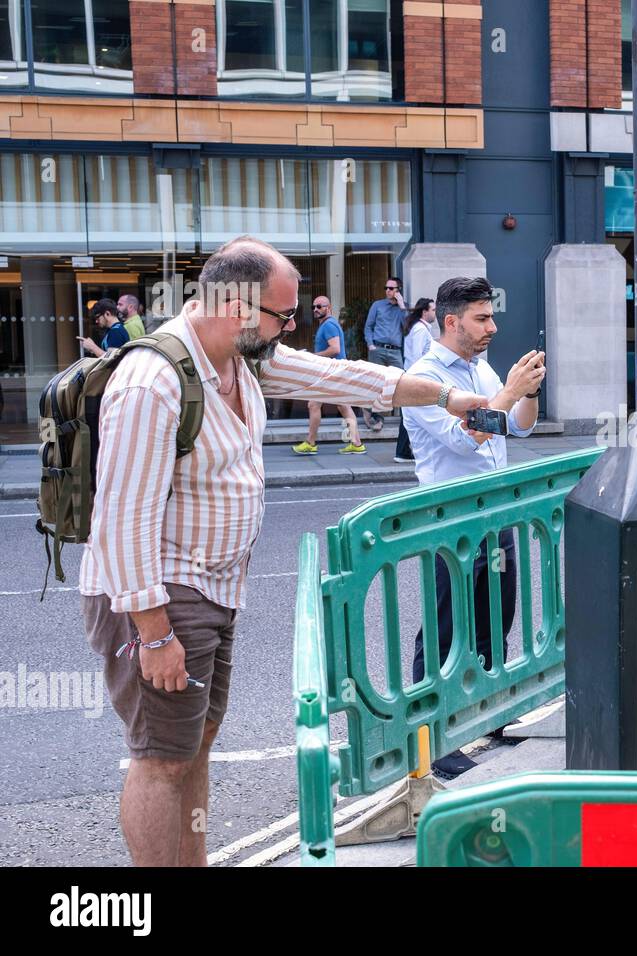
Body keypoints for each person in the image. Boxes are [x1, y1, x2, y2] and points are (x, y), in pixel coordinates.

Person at [80, 236, 489, 866]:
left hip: (214, 589)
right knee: (161, 760)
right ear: (238, 306)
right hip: (162, 593)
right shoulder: (152, 381)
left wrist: (443, 395)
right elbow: (120, 520)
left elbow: (342, 375)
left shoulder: (243, 361)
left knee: (195, 746)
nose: (289, 329)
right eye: (281, 316)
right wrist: (154, 633)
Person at [403, 276, 545, 778]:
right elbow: (465, 442)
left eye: (491, 315)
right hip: (448, 520)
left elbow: (518, 426)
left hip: (495, 515)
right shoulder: (423, 378)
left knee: (493, 619)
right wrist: (507, 392)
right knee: (444, 627)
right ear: (450, 321)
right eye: (482, 318)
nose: (493, 325)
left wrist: (526, 393)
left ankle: (492, 713)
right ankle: (431, 738)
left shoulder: (480, 368)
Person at [292, 295, 367, 455]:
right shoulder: (328, 324)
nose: (316, 310)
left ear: (329, 307)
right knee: (343, 406)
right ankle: (356, 443)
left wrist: (313, 356)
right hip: (334, 372)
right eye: (314, 307)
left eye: (320, 306)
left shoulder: (329, 325)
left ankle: (310, 443)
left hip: (331, 372)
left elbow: (335, 349)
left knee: (314, 405)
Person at [394, 297, 437, 464]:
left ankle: (404, 451)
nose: (434, 312)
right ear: (425, 312)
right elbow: (418, 357)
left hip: (414, 376)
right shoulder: (420, 330)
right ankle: (403, 451)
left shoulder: (420, 328)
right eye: (432, 310)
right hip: (417, 377)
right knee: (413, 414)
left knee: (411, 414)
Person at [363, 276, 408, 434]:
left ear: (398, 291)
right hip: (378, 349)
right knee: (377, 384)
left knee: (401, 383)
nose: (387, 291)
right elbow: (368, 326)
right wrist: (370, 344)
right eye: (386, 288)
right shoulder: (378, 305)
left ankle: (407, 419)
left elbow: (407, 326)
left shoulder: (403, 309)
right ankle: (377, 418)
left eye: (391, 288)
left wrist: (402, 305)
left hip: (395, 351)